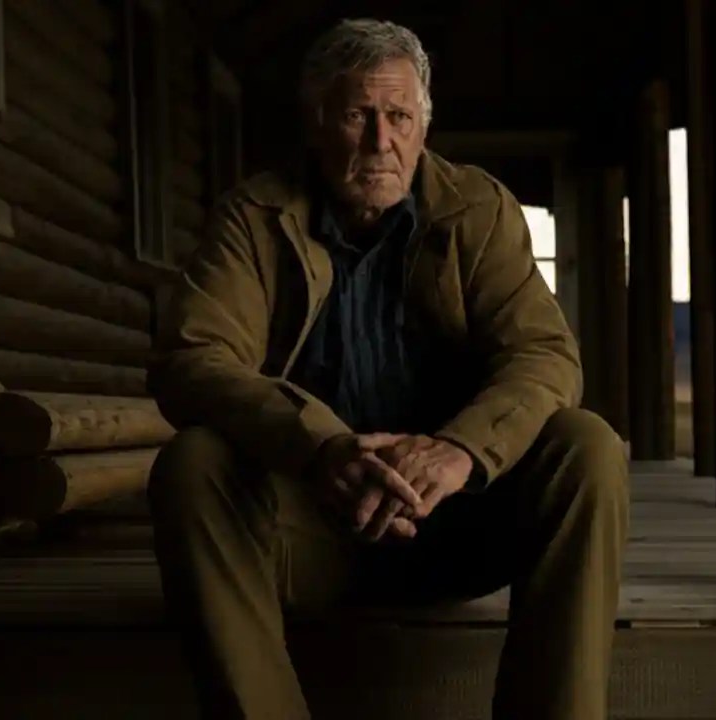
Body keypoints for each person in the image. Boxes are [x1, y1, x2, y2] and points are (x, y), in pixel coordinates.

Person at [146, 17, 629, 720]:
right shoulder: (254, 218)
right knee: (191, 465)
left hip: (460, 524)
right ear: (316, 122)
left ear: (424, 125)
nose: (381, 141)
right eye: (356, 115)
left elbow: (545, 355)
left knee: (588, 447)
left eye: (399, 116)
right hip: (310, 532)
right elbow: (192, 359)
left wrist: (462, 451)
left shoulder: (480, 210)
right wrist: (321, 448)